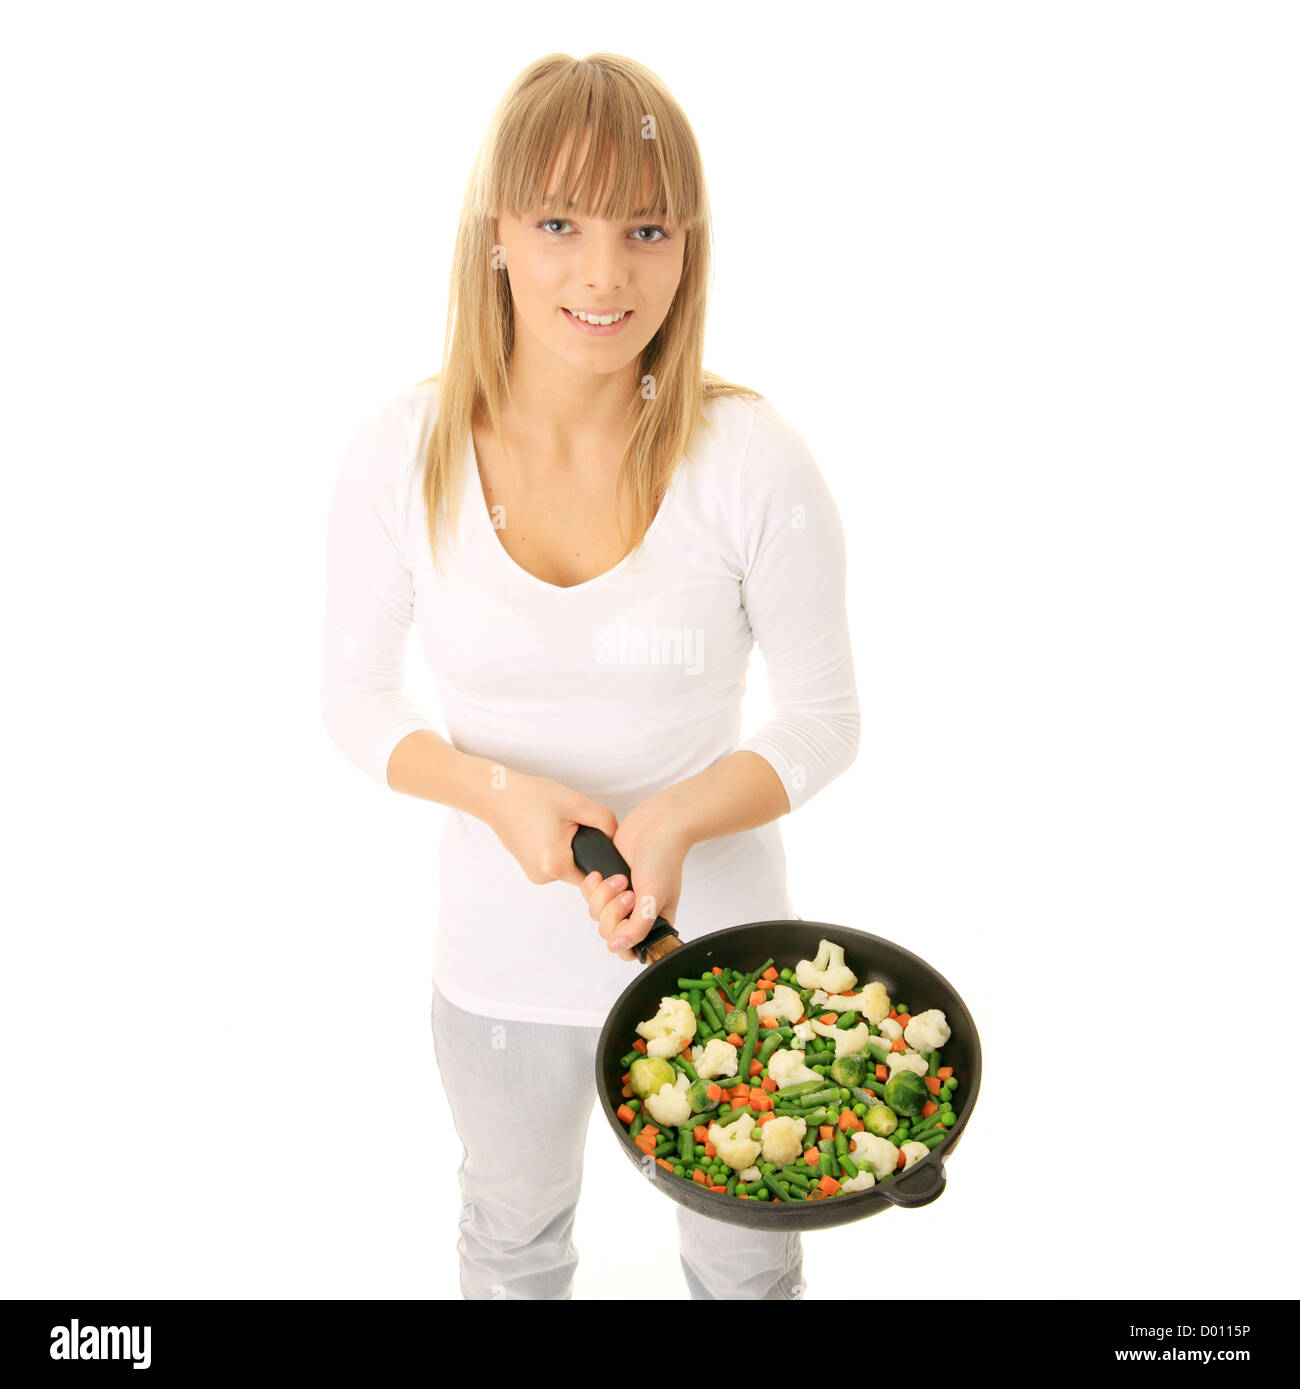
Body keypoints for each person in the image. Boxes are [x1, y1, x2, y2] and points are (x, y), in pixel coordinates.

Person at [320, 51, 860, 1299]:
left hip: (714, 954)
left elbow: (824, 722)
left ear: (688, 246)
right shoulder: (403, 452)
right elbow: (352, 700)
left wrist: (672, 818)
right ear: (496, 235)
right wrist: (494, 790)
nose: (605, 272)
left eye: (645, 226)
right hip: (498, 972)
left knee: (746, 1270)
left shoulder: (750, 458)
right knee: (511, 1250)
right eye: (559, 222)